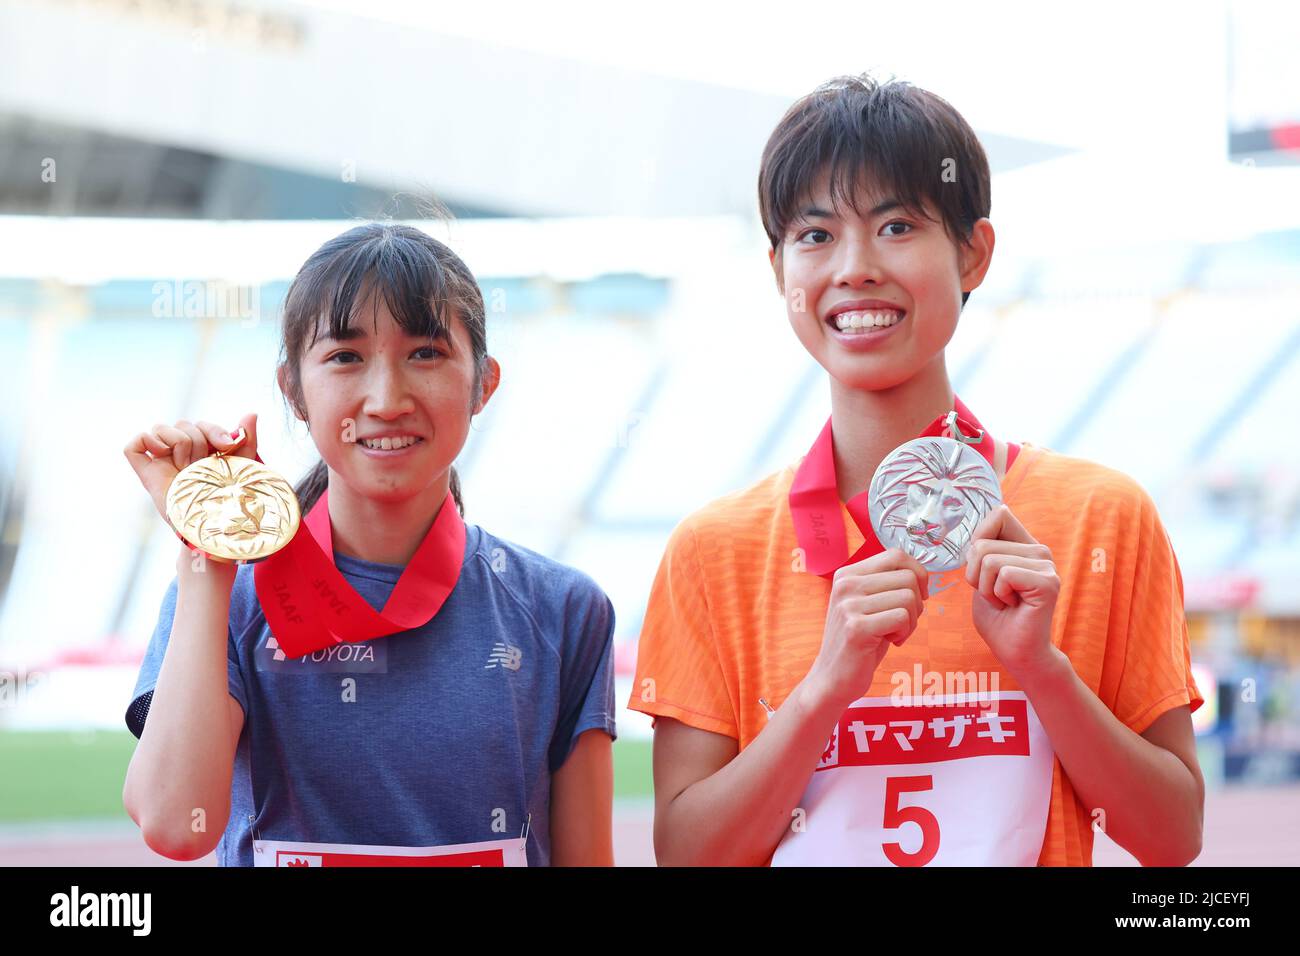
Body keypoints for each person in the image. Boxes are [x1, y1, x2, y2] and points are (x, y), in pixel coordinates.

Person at [629, 75, 1204, 866]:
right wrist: (824, 690)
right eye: (816, 235)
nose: (856, 268)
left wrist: (1043, 670)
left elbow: (1172, 841)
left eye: (897, 226)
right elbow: (688, 856)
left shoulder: (1102, 517)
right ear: (779, 273)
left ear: (974, 252)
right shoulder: (713, 551)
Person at [122, 223, 616, 866]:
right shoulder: (230, 598)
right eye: (345, 357)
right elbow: (175, 826)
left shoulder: (560, 610)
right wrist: (209, 553)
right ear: (292, 391)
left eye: (426, 353)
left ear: (484, 383)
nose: (386, 400)